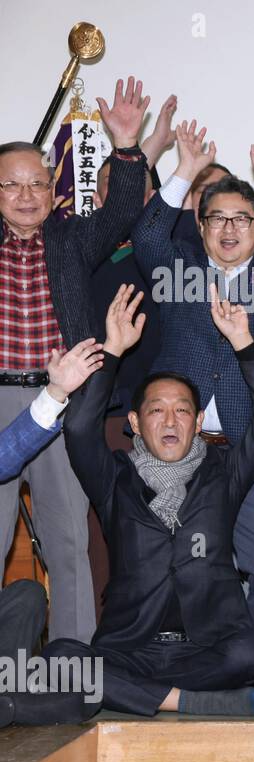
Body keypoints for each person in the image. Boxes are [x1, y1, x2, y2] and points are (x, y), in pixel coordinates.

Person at [2, 284, 254, 724]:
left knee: (251, 652)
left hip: (209, 648)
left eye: (182, 411)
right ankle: (185, 701)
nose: (170, 420)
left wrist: (243, 342)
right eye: (157, 411)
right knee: (63, 655)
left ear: (197, 424)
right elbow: (78, 429)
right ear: (134, 423)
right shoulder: (114, 479)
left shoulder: (223, 473)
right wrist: (112, 349)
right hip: (131, 650)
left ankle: (143, 697)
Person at [132, 118, 254, 691]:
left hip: (252, 450)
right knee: (173, 569)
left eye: (243, 218)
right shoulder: (180, 272)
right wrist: (185, 169)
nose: (230, 229)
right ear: (202, 224)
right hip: (178, 455)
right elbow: (145, 237)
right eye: (217, 218)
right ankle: (181, 671)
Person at [0, 76, 149, 643]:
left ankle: (73, 662)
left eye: (39, 183)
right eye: (12, 185)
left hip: (60, 397)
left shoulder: (67, 239)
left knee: (67, 538)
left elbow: (118, 217)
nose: (28, 195)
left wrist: (128, 148)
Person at [0, 339, 105, 728]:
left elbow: (3, 457)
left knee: (27, 596)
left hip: (53, 392)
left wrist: (57, 391)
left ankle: (66, 685)